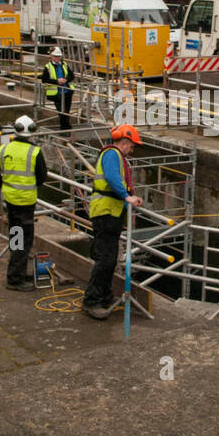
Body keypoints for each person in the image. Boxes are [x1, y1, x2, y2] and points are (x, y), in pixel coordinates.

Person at [82, 123, 143, 320]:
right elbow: (111, 177)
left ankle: (105, 295)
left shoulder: (116, 156)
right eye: (132, 146)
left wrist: (129, 196)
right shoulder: (112, 154)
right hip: (105, 212)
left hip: (111, 213)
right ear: (124, 142)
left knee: (110, 257)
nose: (132, 151)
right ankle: (92, 301)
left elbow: (116, 179)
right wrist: (127, 197)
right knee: (105, 258)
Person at [0, 115, 48, 291]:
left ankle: (17, 272)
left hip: (11, 200)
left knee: (15, 237)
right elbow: (42, 177)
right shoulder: (34, 152)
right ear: (32, 132)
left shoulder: (4, 149)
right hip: (26, 203)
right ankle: (14, 279)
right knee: (23, 240)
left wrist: (4, 183)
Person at [41, 46, 76, 132]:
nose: (57, 58)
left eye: (59, 56)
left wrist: (66, 79)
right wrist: (57, 81)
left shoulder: (64, 65)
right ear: (52, 56)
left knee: (66, 112)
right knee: (61, 112)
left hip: (67, 92)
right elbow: (44, 80)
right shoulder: (48, 67)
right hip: (56, 94)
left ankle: (66, 129)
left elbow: (72, 76)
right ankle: (65, 129)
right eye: (56, 56)